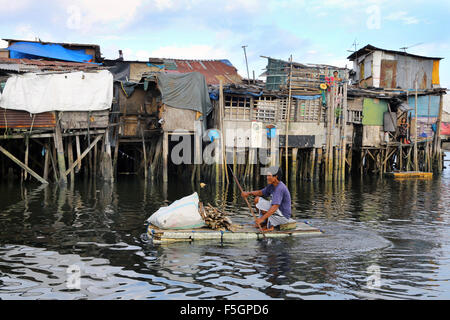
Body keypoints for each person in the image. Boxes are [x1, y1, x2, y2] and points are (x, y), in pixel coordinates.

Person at [241, 167, 295, 231]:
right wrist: (248, 193)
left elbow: (274, 207)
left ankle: (270, 226)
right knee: (257, 199)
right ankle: (264, 223)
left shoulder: (279, 188)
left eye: (269, 176)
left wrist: (261, 219)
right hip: (277, 212)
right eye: (267, 176)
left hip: (283, 217)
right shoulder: (272, 185)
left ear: (275, 177)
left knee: (266, 207)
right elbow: (260, 192)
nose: (267, 178)